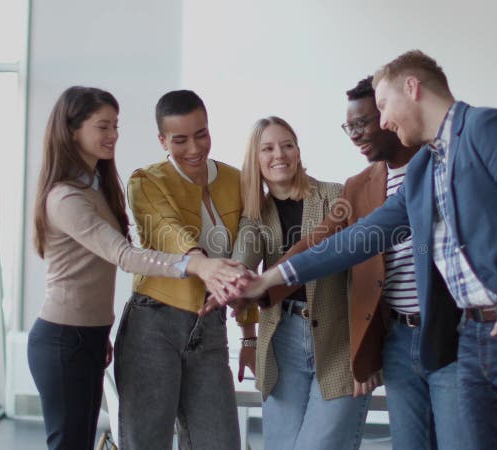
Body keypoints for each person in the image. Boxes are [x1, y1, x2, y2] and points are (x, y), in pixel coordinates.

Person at [214, 50, 497, 450]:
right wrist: (270, 278)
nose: (382, 122)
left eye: (382, 106)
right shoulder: (425, 168)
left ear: (412, 88)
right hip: (471, 334)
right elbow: (355, 239)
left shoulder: (487, 127)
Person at [28, 86, 246, 450]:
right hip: (64, 338)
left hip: (91, 335)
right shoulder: (67, 197)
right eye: (103, 127)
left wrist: (104, 334)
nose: (113, 136)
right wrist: (197, 264)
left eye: (116, 126)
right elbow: (126, 254)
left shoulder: (96, 185)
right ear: (71, 130)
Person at [258, 77, 462, 449]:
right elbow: (318, 242)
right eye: (348, 126)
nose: (354, 134)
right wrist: (263, 285)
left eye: (362, 123)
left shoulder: (441, 165)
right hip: (399, 339)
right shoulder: (358, 186)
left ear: (386, 118)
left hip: (451, 333)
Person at [114, 90, 254, 449]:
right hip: (153, 325)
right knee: (146, 442)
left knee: (220, 442)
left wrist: (250, 334)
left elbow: (248, 254)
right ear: (162, 140)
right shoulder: (146, 181)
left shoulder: (237, 180)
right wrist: (202, 264)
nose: (194, 148)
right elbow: (167, 230)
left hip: (209, 328)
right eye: (180, 140)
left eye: (201, 134)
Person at [232, 116, 370, 450]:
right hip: (282, 345)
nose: (279, 154)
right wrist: (248, 340)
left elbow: (367, 275)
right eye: (268, 148)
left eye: (287, 145)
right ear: (256, 159)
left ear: (297, 152)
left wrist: (368, 353)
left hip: (339, 342)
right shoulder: (256, 214)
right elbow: (242, 273)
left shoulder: (335, 198)